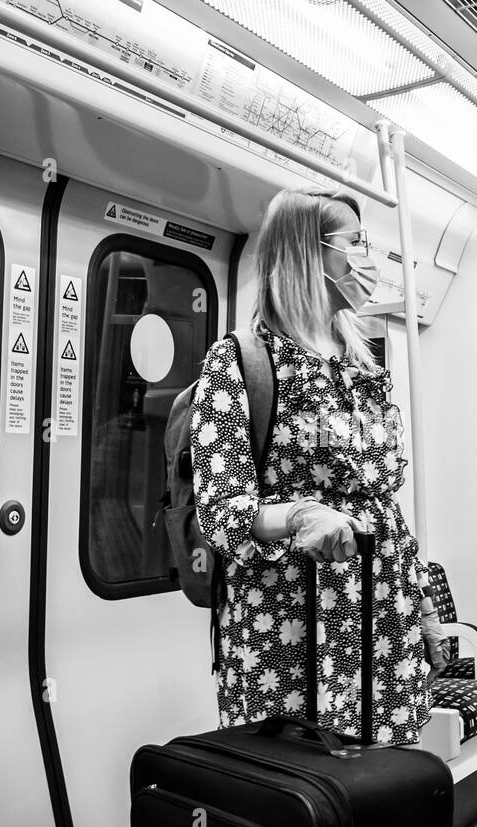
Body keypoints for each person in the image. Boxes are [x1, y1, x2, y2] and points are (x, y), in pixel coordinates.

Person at [189, 185, 449, 745]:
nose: (367, 259)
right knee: (302, 794)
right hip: (287, 623)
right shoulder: (241, 361)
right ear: (308, 252)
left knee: (379, 786)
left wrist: (422, 602)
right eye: (355, 243)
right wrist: (304, 513)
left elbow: (385, 505)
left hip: (381, 612)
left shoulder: (361, 361)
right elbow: (221, 510)